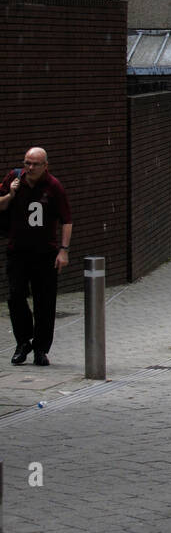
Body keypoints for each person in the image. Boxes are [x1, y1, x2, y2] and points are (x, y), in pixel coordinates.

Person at [0, 148, 73, 368]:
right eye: (27, 163)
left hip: (45, 253)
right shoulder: (14, 178)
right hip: (18, 251)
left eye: (35, 164)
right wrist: (11, 194)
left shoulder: (53, 187)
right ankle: (23, 342)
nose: (30, 168)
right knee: (15, 296)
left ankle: (41, 349)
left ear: (45, 166)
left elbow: (67, 220)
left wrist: (64, 250)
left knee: (45, 302)